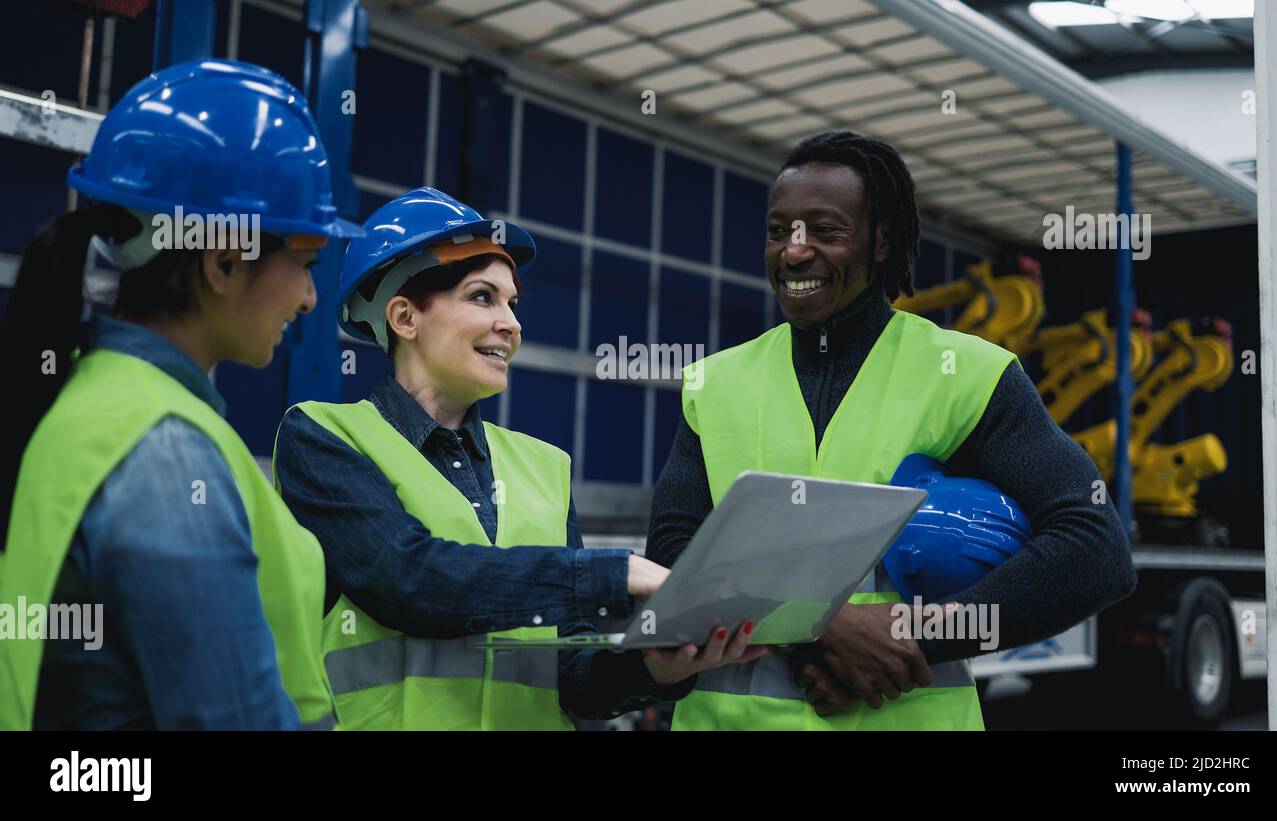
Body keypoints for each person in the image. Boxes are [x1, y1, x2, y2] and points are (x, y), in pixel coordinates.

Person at [648, 131, 1137, 730]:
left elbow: (1095, 548)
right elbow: (672, 561)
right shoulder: (715, 384)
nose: (794, 252)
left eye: (825, 230)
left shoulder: (968, 374)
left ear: (881, 240)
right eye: (779, 231)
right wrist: (818, 628)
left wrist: (914, 635)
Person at [273, 187, 764, 730]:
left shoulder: (546, 467)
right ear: (405, 317)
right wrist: (612, 573)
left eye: (512, 302)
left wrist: (650, 670)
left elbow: (573, 677)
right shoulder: (324, 437)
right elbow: (406, 579)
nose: (511, 323)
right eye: (482, 297)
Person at [0, 60, 364, 730]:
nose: (311, 297)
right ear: (222, 262)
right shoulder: (165, 453)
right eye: (306, 266)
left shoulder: (95, 395)